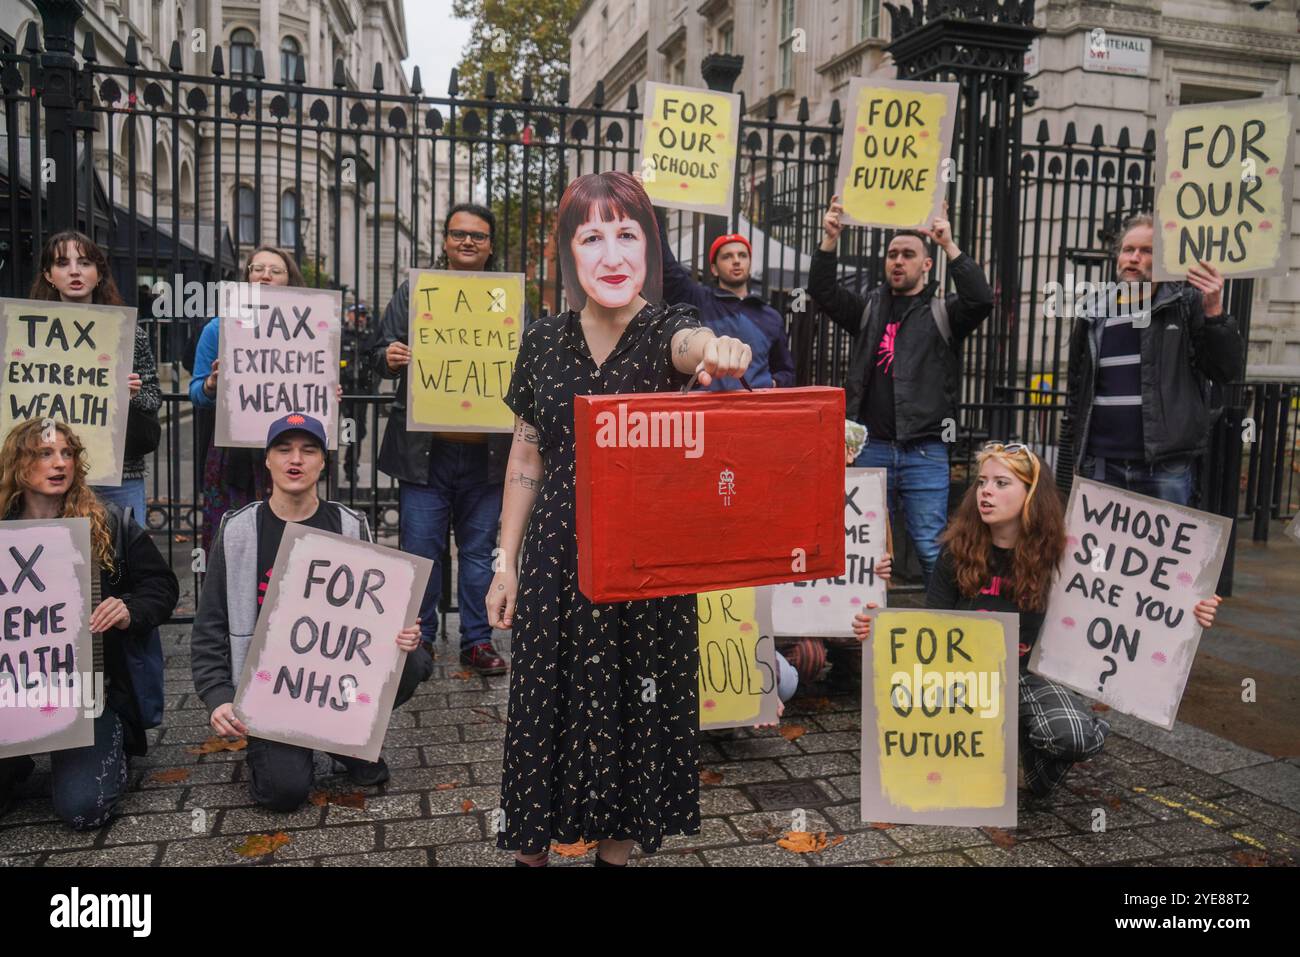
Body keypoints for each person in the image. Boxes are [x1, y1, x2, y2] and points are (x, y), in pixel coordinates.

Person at [487, 171, 752, 867]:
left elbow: (692, 346)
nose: (611, 254)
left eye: (627, 234)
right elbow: (525, 453)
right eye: (592, 236)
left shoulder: (668, 330)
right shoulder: (542, 341)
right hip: (555, 559)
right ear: (569, 253)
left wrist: (716, 352)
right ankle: (531, 853)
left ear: (651, 248)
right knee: (546, 711)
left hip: (646, 569)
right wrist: (504, 560)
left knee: (636, 715)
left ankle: (615, 855)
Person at [852, 442, 1223, 796]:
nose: (985, 492)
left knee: (1071, 736)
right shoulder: (958, 549)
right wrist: (880, 628)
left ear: (1031, 493)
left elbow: (1130, 601)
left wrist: (1189, 608)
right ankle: (997, 748)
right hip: (965, 676)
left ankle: (1025, 751)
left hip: (1030, 675)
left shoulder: (1064, 557)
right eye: (982, 482)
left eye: (1001, 483)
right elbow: (931, 630)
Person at [189, 413, 433, 811]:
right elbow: (209, 627)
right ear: (267, 460)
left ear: (323, 462)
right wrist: (218, 697)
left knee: (414, 662)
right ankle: (297, 744)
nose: (295, 459)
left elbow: (373, 623)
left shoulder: (350, 525)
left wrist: (403, 633)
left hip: (332, 685)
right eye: (283, 450)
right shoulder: (239, 531)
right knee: (284, 795)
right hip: (269, 691)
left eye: (308, 450)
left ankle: (340, 734)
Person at [0, 419, 178, 828]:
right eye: (45, 453)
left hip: (91, 695)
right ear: (18, 463)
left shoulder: (111, 523)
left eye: (67, 453)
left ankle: (113, 747)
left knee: (84, 809)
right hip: (13, 690)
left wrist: (129, 610)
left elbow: (162, 587)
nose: (59, 463)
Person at [809, 196, 993, 585]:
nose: (897, 261)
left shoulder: (943, 313)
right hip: (872, 447)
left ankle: (943, 624)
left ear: (926, 265)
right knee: (869, 548)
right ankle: (868, 632)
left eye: (908, 254)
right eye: (892, 254)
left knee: (931, 546)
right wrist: (830, 238)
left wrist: (948, 243)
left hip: (924, 450)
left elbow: (981, 298)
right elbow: (822, 292)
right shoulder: (868, 309)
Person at [369, 203, 511, 676]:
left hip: (487, 456)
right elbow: (376, 348)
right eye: (459, 234)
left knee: (477, 552)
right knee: (421, 551)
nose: (468, 242)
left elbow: (527, 356)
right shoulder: (415, 292)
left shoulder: (506, 298)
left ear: (491, 246)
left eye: (478, 235)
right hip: (424, 455)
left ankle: (477, 640)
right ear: (445, 241)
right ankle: (421, 640)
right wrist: (388, 356)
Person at [1064, 212, 1244, 506]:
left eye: (1146, 251)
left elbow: (1225, 369)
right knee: (1101, 553)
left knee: (1168, 554)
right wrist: (1076, 451)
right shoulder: (1092, 311)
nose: (1133, 258)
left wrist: (1214, 311)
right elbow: (1077, 387)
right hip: (1100, 465)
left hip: (1165, 468)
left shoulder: (1184, 305)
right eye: (1128, 250)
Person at [28, 230, 163, 525]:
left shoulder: (129, 334)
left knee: (123, 563)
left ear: (99, 273)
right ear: (49, 276)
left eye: (85, 262)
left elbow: (154, 397)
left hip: (118, 475)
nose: (74, 271)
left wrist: (134, 394)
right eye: (62, 263)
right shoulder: (28, 336)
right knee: (61, 563)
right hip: (49, 472)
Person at [189, 247, 304, 550]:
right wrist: (212, 385)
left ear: (289, 280)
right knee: (234, 543)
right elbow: (196, 392)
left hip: (289, 448)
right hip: (234, 455)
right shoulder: (218, 327)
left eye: (275, 271)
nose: (265, 275)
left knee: (286, 542)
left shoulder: (309, 328)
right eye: (257, 268)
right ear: (247, 276)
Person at [656, 211, 794, 390]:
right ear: (713, 268)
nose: (736, 261)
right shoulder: (697, 299)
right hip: (707, 411)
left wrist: (772, 384)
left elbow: (786, 371)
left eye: (742, 255)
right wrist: (652, 212)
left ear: (750, 264)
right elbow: (666, 268)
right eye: (727, 256)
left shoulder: (771, 316)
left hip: (755, 411)